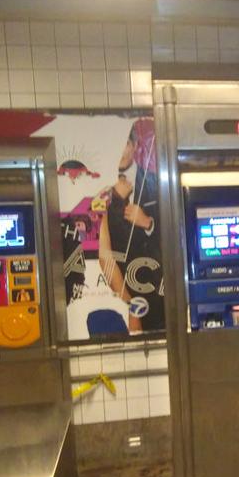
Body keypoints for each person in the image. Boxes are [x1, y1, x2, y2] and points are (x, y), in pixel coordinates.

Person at [98, 117, 164, 334]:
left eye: (125, 143)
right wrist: (130, 303)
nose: (120, 151)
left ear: (135, 146)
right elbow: (104, 255)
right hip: (121, 296)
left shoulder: (157, 182)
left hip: (161, 294)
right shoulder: (99, 189)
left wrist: (148, 222)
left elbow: (176, 237)